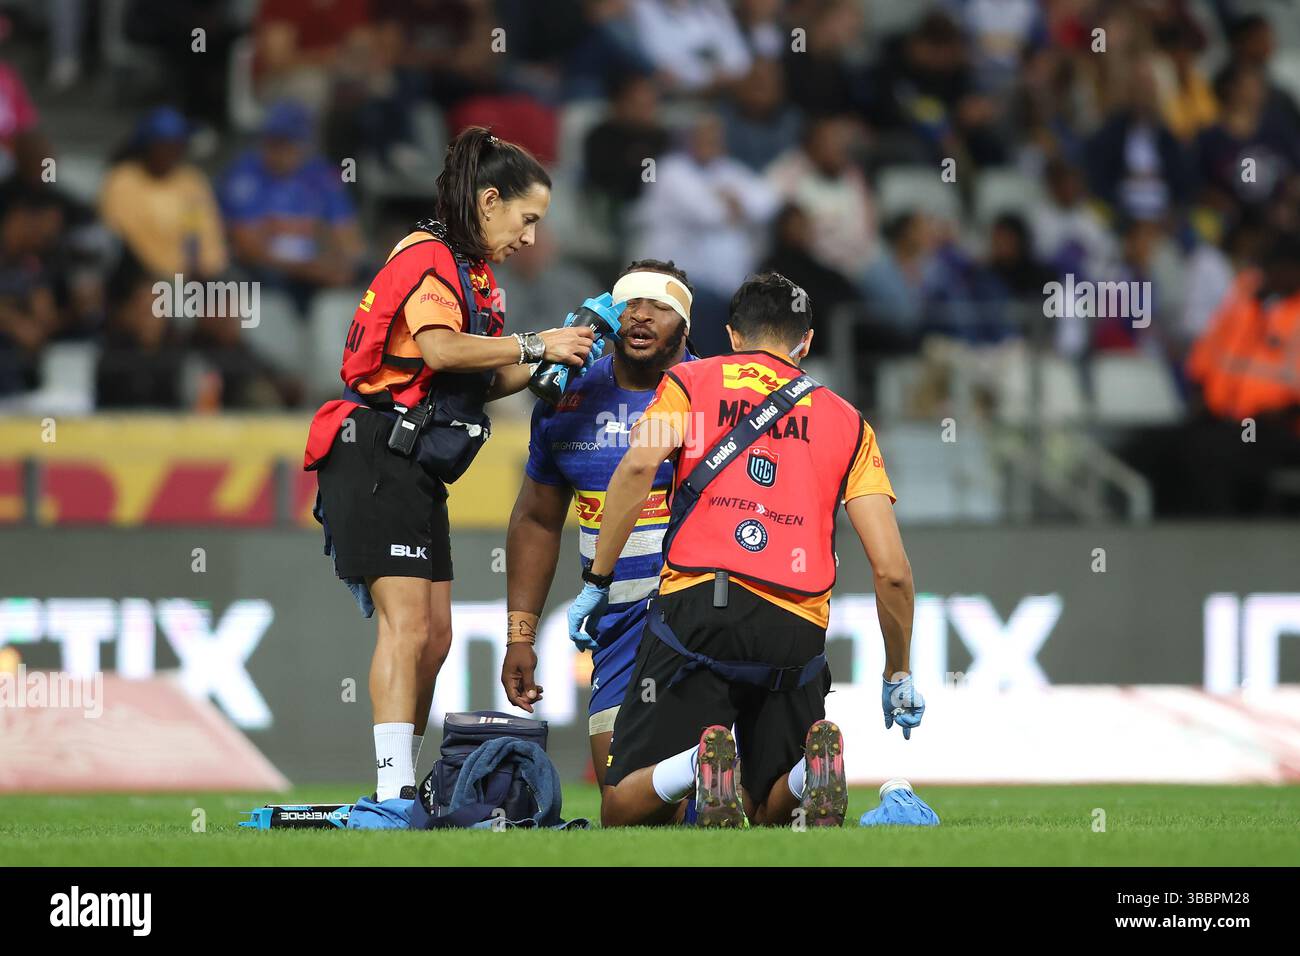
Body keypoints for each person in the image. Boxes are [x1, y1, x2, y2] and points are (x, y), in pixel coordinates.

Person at [302, 127, 600, 829]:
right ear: (489, 201)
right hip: (375, 450)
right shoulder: (428, 256)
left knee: (435, 637)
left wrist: (549, 363)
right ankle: (391, 793)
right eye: (526, 218)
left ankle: (404, 786)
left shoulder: (473, 274)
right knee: (408, 626)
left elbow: (478, 379)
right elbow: (438, 348)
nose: (530, 237)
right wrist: (535, 342)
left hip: (412, 462)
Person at [568, 272, 924, 828]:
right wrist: (897, 672)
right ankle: (808, 775)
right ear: (806, 342)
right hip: (796, 625)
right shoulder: (850, 422)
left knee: (621, 808)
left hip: (697, 610)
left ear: (733, 335)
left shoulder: (688, 382)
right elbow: (892, 571)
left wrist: (597, 580)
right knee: (767, 817)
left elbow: (637, 467)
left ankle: (697, 764)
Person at [500, 259, 694, 791]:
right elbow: (537, 519)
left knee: (714, 792)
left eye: (660, 306)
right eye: (630, 303)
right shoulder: (566, 397)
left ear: (685, 325)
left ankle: (777, 778)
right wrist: (520, 637)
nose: (641, 315)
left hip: (700, 611)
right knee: (620, 796)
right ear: (609, 314)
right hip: (618, 620)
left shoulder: (714, 396)